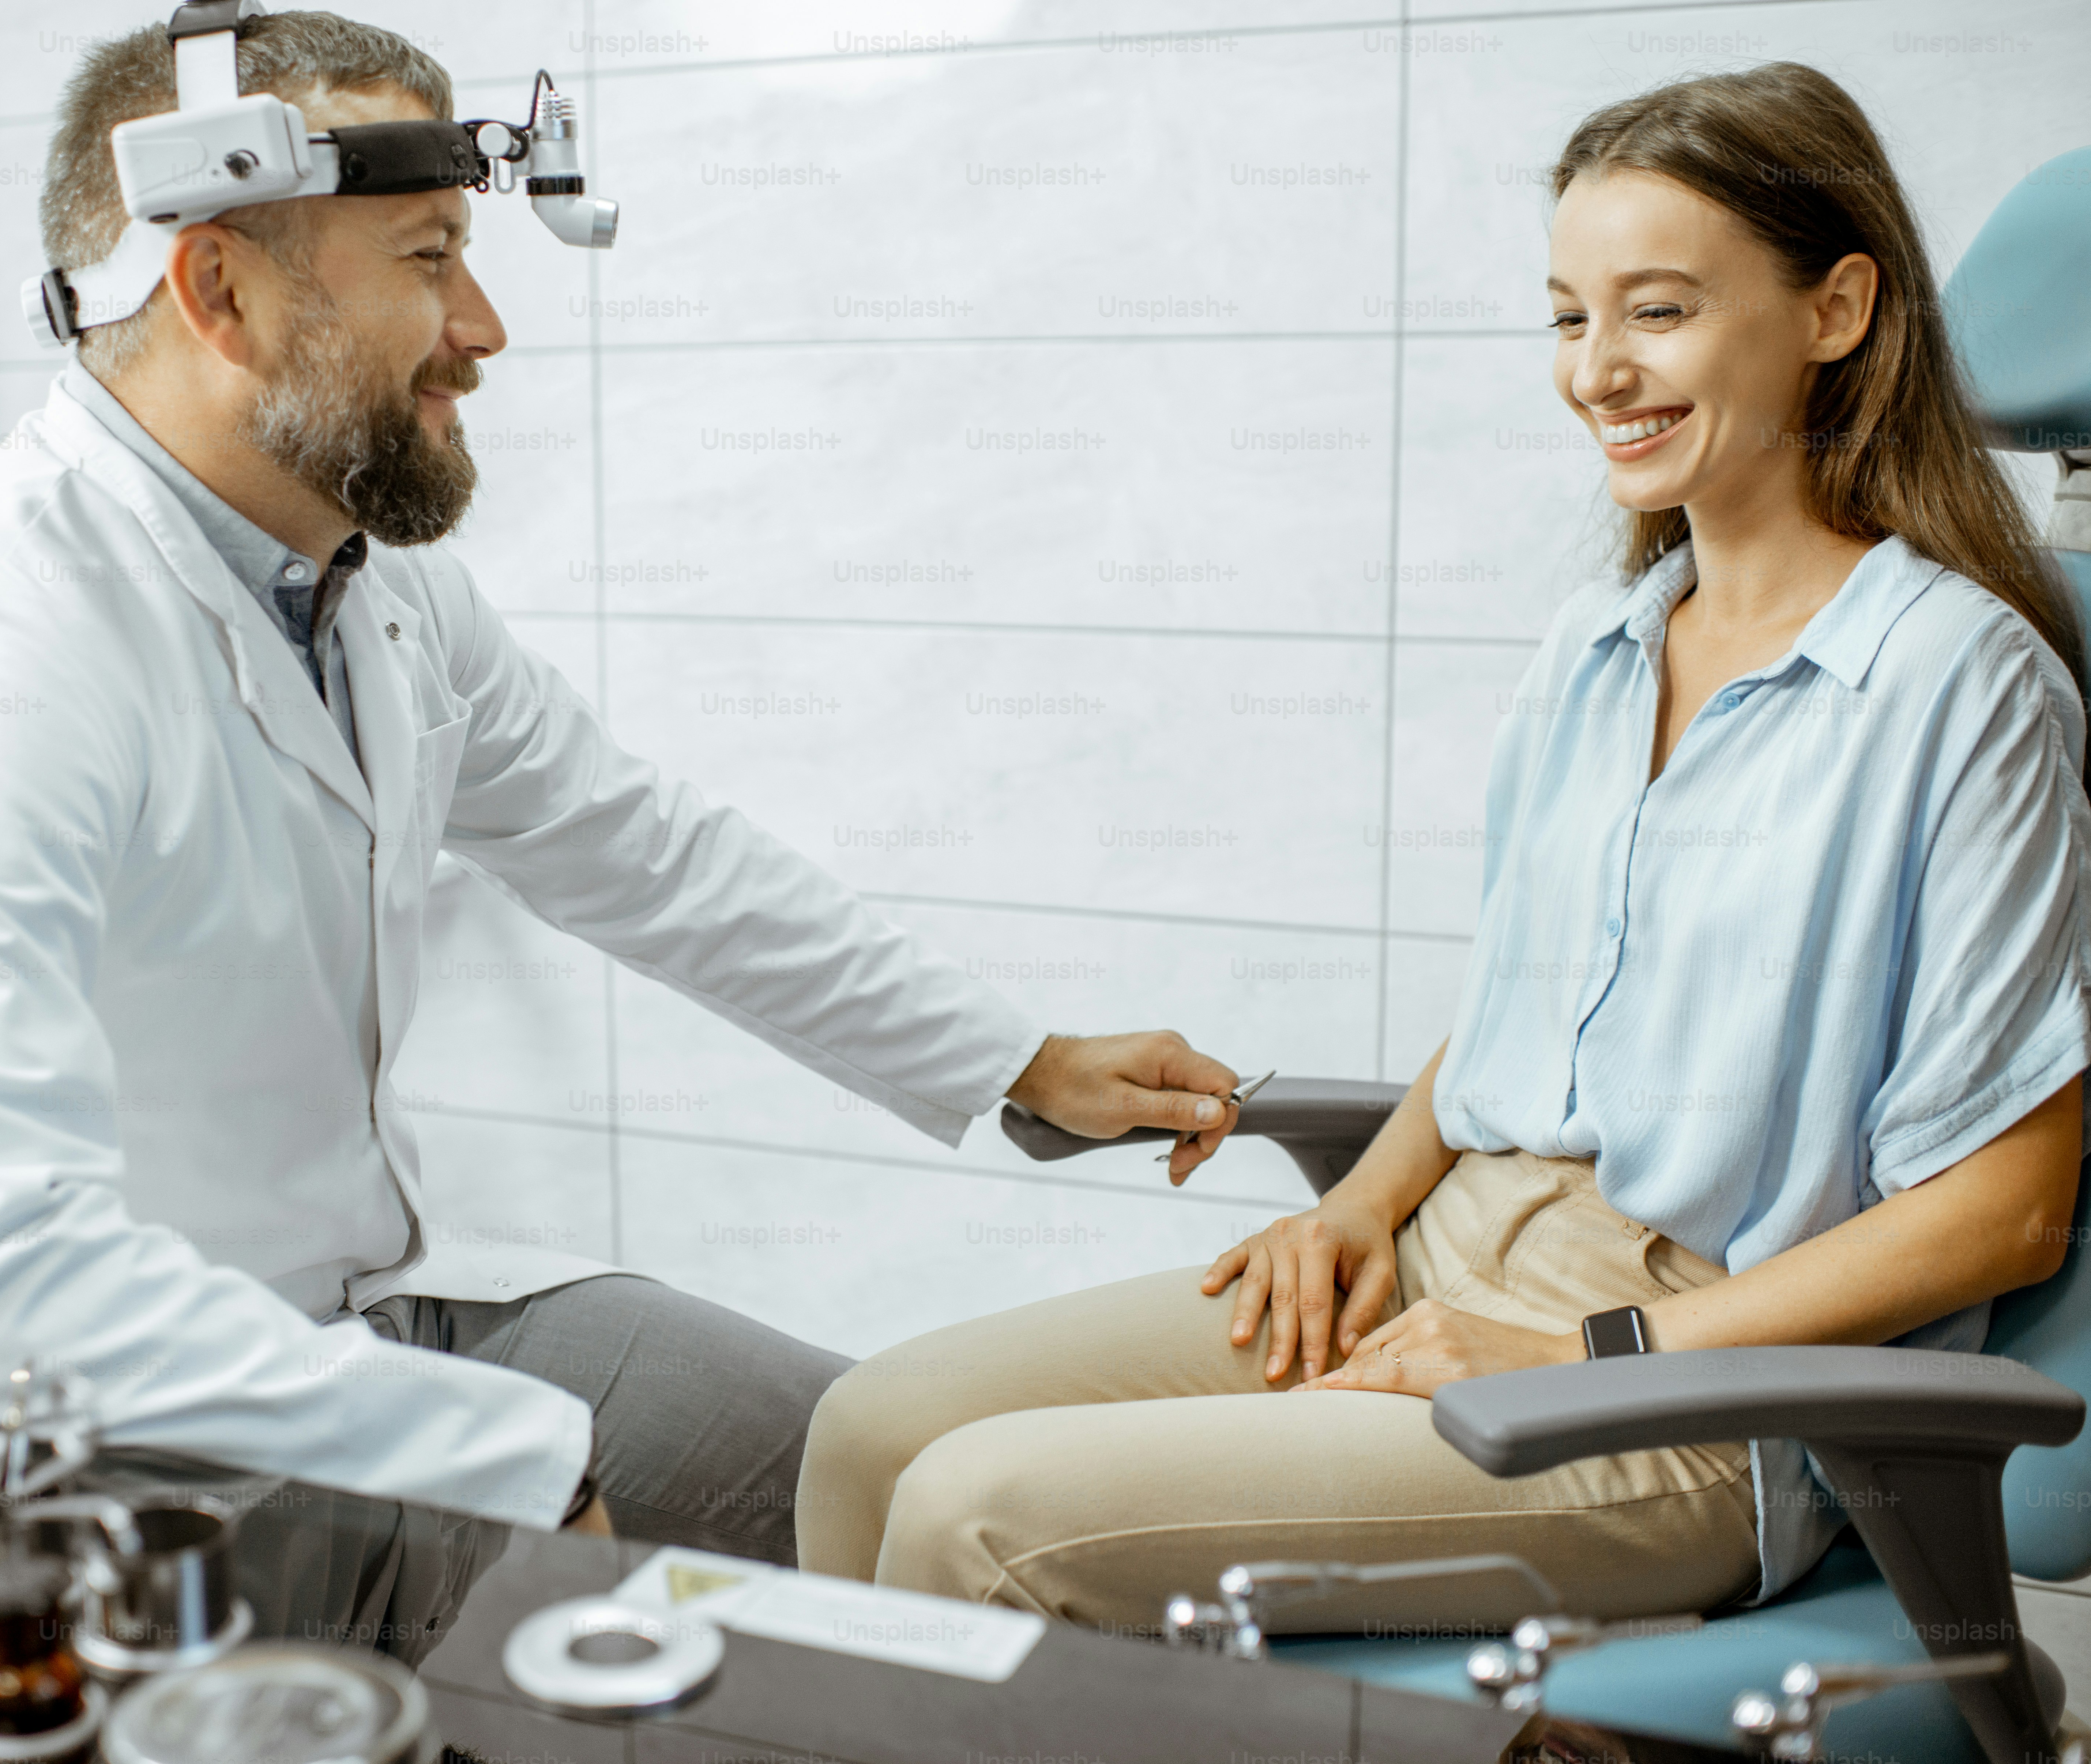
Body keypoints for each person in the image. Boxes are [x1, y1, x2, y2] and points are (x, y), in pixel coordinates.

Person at [0, 10, 1251, 1578]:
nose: (482, 327)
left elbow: (644, 854)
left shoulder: (369, 593)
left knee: (907, 1490)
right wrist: (493, 1454)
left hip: (359, 1327)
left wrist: (1018, 1058)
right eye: (425, 259)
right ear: (220, 291)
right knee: (738, 1658)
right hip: (71, 1486)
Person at [796, 61, 2090, 1632]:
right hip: (1447, 1255)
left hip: (1698, 1382)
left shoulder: (1962, 685)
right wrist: (1358, 1211)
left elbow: (2001, 1211)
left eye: (1658, 311)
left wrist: (1584, 1356)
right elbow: (1515, 1017)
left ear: (1835, 311)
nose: (1596, 371)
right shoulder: (1599, 648)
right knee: (873, 1432)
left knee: (974, 1518)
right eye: (1568, 317)